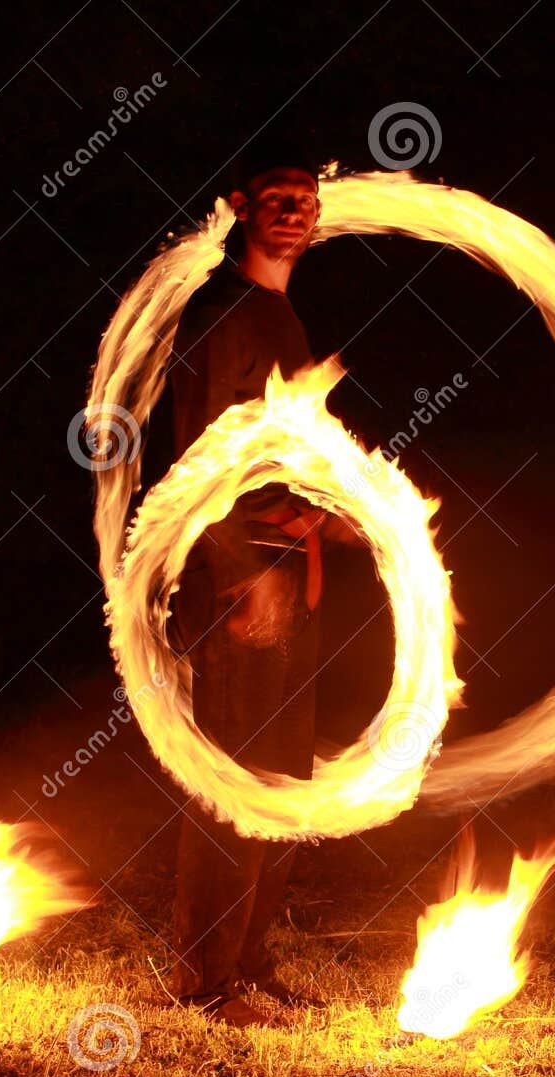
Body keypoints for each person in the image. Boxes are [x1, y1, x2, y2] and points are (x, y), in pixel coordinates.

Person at [164, 140, 358, 1026]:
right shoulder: (224, 317)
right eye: (276, 195)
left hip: (290, 574)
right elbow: (200, 464)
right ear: (240, 206)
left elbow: (278, 451)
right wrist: (241, 575)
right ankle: (204, 980)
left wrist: (330, 512)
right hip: (241, 581)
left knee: (279, 779)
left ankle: (247, 959)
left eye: (306, 198)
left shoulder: (283, 319)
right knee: (234, 782)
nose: (294, 209)